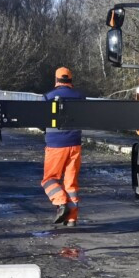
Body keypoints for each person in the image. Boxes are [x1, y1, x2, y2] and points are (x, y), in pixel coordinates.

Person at [42, 65, 83, 227]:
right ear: (70, 79)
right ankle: (72, 219)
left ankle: (61, 202)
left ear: (56, 80)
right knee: (71, 183)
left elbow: (41, 120)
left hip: (56, 144)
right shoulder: (80, 96)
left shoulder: (49, 97)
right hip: (75, 144)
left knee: (49, 179)